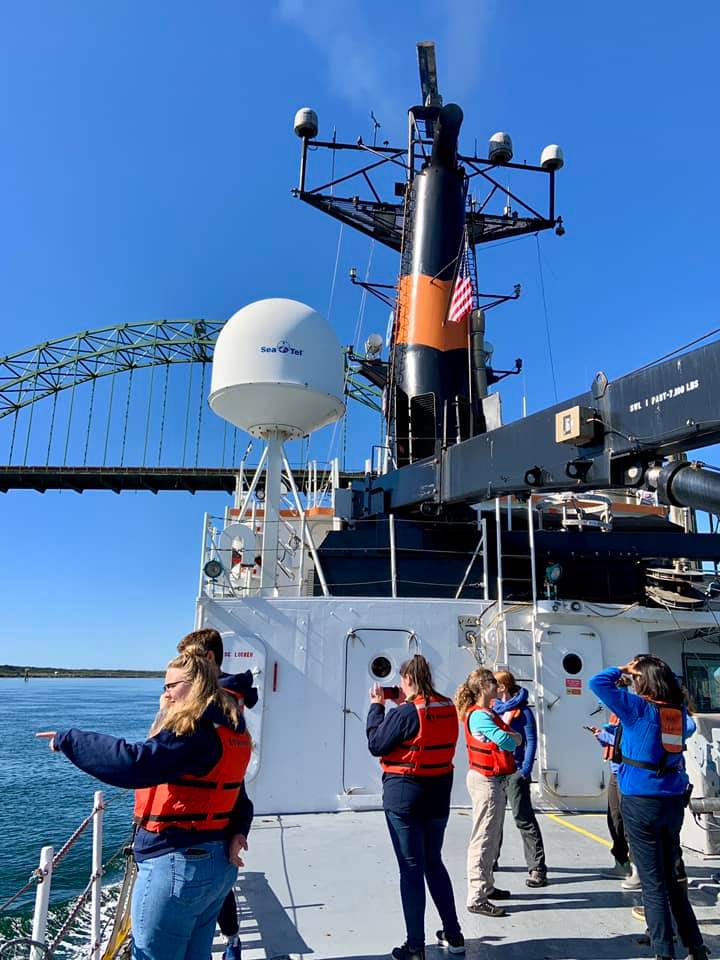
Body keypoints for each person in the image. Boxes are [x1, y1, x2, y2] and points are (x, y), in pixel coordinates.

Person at [37, 645, 254, 960]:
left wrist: (70, 739)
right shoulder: (229, 729)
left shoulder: (195, 732)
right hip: (217, 866)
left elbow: (134, 765)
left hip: (179, 867)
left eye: (171, 686)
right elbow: (238, 794)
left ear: (195, 686)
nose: (165, 694)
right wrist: (239, 830)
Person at [589, 655, 708, 960]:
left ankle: (663, 952)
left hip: (640, 804)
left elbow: (597, 683)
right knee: (671, 879)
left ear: (642, 682)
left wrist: (624, 669)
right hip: (671, 804)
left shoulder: (638, 709)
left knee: (653, 884)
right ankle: (695, 946)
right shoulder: (677, 714)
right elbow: (691, 728)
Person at [366, 654, 463, 960]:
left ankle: (415, 946)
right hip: (437, 798)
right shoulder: (447, 706)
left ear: (407, 679)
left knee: (411, 870)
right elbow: (422, 724)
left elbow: (376, 744)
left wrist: (377, 706)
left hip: (405, 799)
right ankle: (454, 933)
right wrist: (401, 704)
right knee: (434, 862)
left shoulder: (406, 713)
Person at [177, 628, 259, 960]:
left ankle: (225, 941)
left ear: (208, 658)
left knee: (212, 882)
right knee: (220, 881)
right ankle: (231, 941)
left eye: (189, 661)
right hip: (226, 791)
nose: (185, 669)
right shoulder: (233, 695)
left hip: (208, 798)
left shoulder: (212, 698)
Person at [455, 668, 521, 918]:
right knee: (483, 838)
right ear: (483, 686)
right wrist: (515, 738)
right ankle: (476, 897)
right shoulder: (481, 717)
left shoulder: (486, 713)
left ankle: (487, 885)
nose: (498, 686)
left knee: (491, 837)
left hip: (492, 781)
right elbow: (507, 741)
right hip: (486, 782)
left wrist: (512, 736)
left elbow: (507, 737)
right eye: (493, 682)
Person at [492, 670, 547, 887]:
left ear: (502, 687)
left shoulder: (523, 712)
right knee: (494, 819)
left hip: (514, 771)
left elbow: (531, 740)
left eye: (494, 685)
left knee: (523, 818)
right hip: (497, 769)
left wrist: (524, 770)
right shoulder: (495, 709)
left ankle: (537, 868)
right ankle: (492, 859)